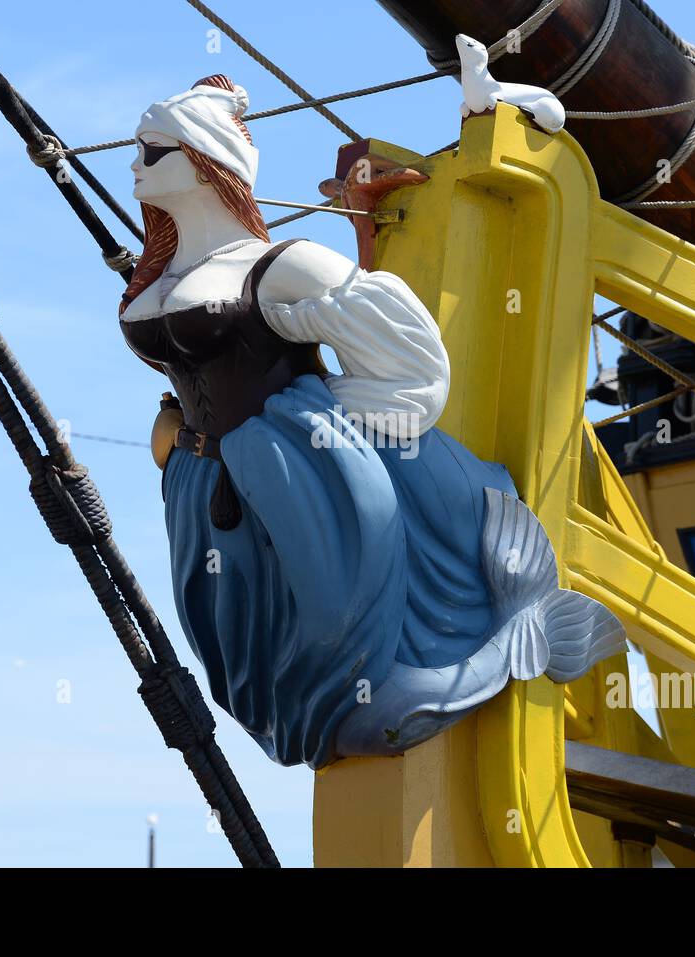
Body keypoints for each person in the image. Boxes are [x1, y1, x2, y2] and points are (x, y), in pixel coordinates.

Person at [119, 74, 624, 768]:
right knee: (233, 650)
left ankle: (478, 656)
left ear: (204, 162)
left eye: (151, 152)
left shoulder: (281, 267)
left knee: (334, 638)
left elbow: (415, 367)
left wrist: (326, 418)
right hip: (203, 488)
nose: (134, 166)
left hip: (291, 468)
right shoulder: (165, 273)